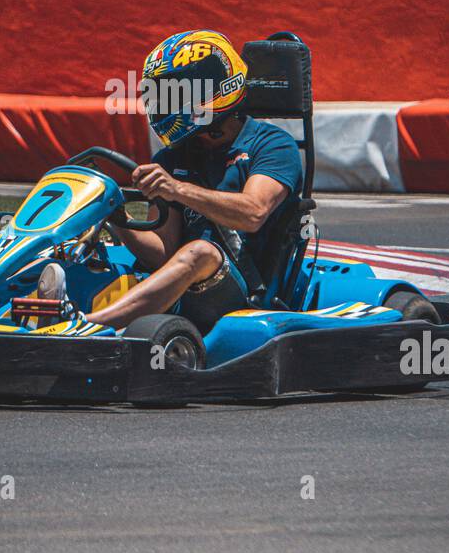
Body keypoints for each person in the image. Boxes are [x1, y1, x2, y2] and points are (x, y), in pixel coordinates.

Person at [40, 30, 302, 333]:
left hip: (244, 289)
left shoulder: (271, 145)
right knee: (84, 255)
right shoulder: (174, 157)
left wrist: (177, 189)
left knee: (200, 251)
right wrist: (114, 217)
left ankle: (86, 325)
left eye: (178, 93)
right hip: (181, 280)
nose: (167, 103)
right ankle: (12, 310)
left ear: (216, 89)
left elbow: (253, 213)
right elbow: (161, 253)